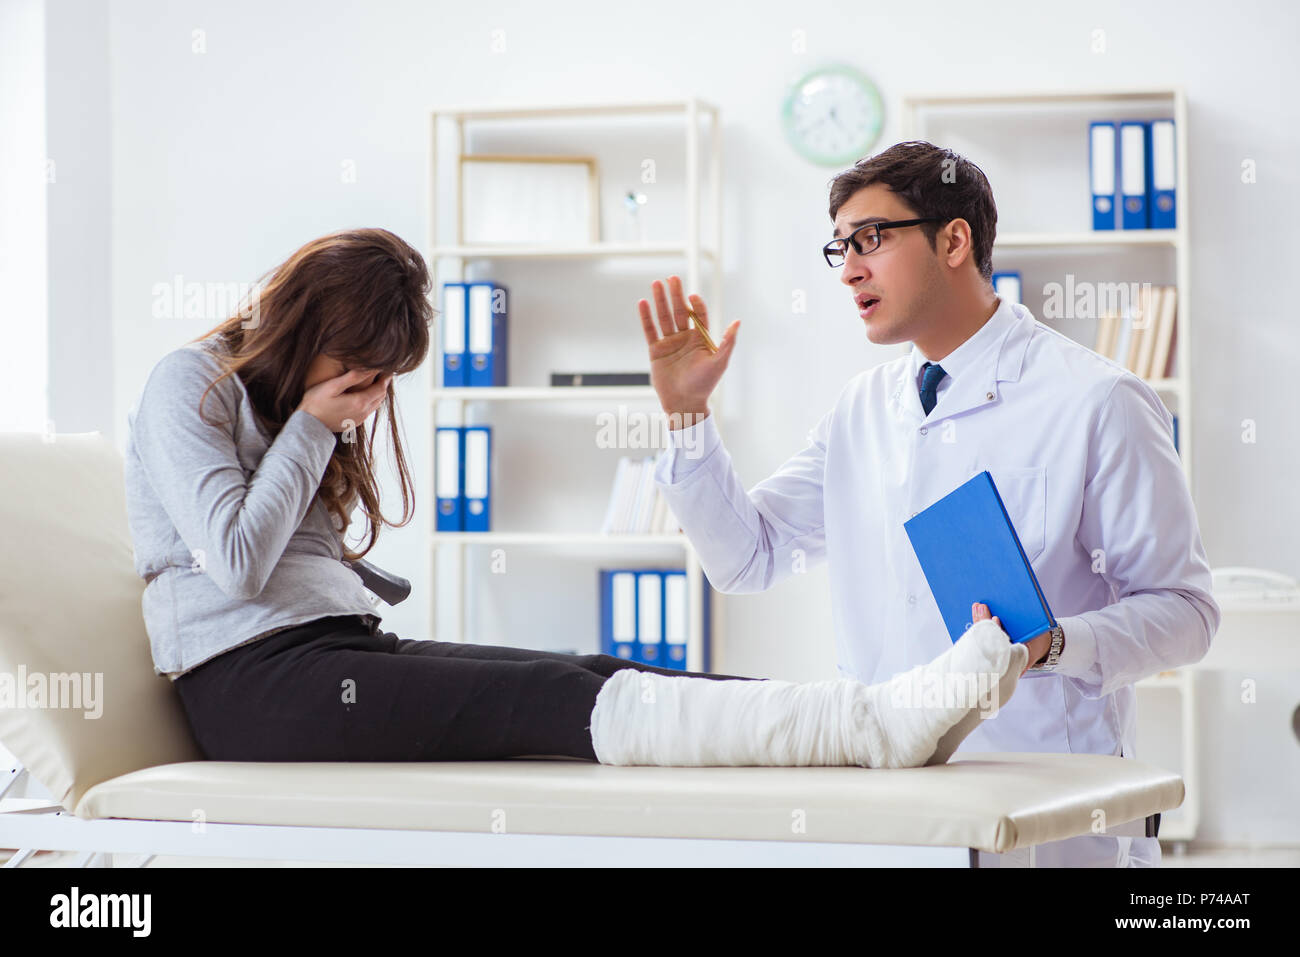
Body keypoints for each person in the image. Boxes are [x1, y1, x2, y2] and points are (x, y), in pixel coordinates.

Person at [123, 227, 1027, 776]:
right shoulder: (189, 386)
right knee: (553, 697)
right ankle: (868, 729)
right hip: (251, 686)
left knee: (592, 665)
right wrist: (318, 423)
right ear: (307, 324)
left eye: (376, 382)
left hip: (332, 650)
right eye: (356, 372)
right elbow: (235, 566)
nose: (363, 396)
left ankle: (860, 717)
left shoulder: (295, 408)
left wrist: (315, 422)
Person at [636, 141, 1220, 866]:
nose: (849, 267)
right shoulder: (864, 410)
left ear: (953, 239)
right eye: (840, 247)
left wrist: (1054, 642)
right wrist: (687, 416)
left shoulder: (1096, 399)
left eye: (872, 239)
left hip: (1045, 809)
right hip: (891, 810)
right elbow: (745, 558)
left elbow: (1187, 614)